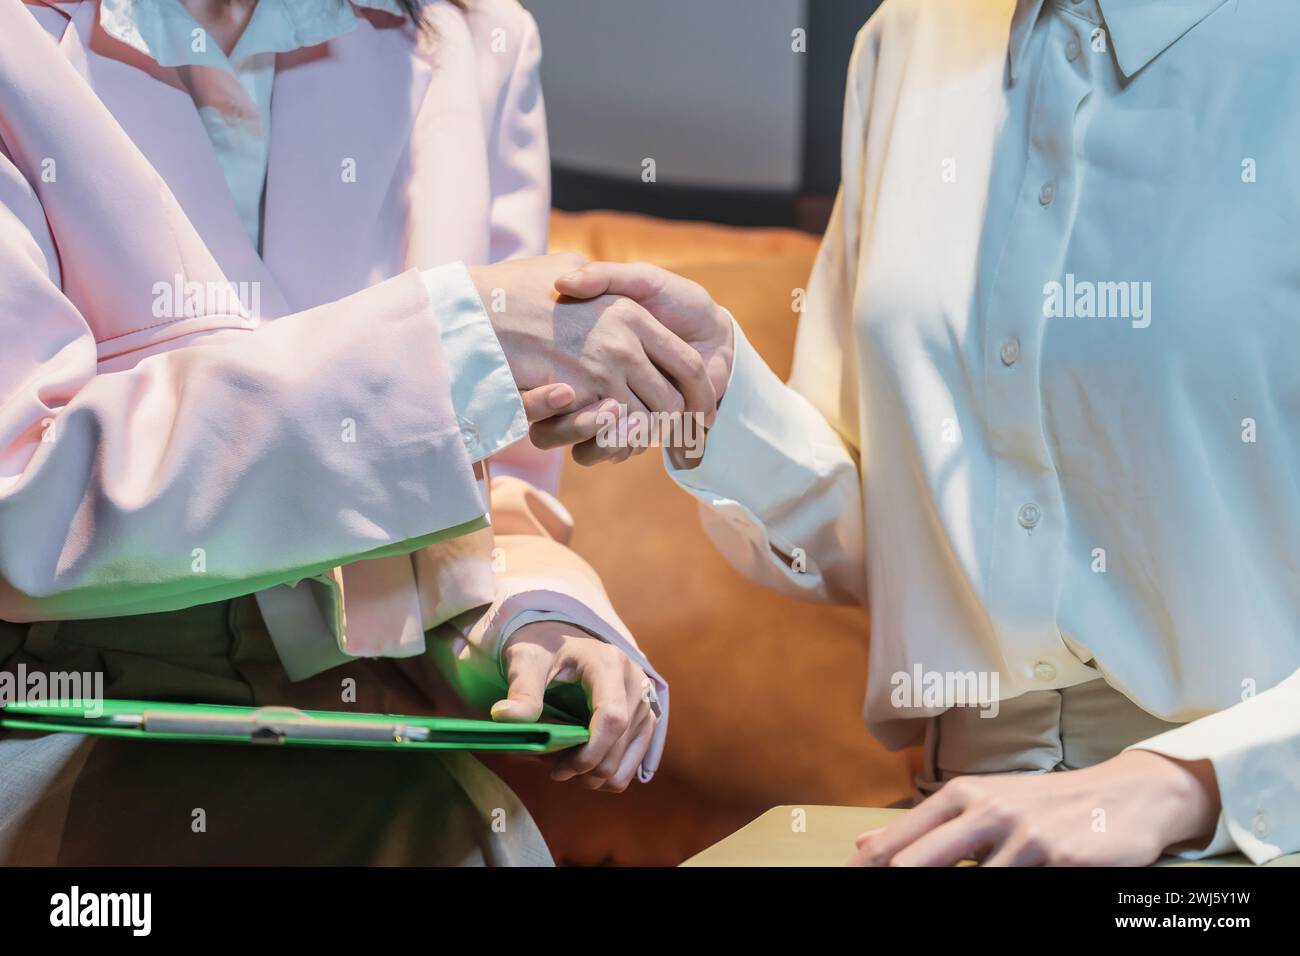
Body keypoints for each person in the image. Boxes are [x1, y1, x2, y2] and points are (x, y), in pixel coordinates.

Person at [538, 0, 1300, 865]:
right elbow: (883, 532)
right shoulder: (904, 39)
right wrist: (715, 402)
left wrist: (1189, 780)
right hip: (951, 828)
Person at [0, 0, 697, 864]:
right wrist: (448, 345)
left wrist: (537, 619)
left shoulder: (479, 39)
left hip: (346, 722)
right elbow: (20, 502)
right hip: (52, 713)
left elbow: (487, 494)